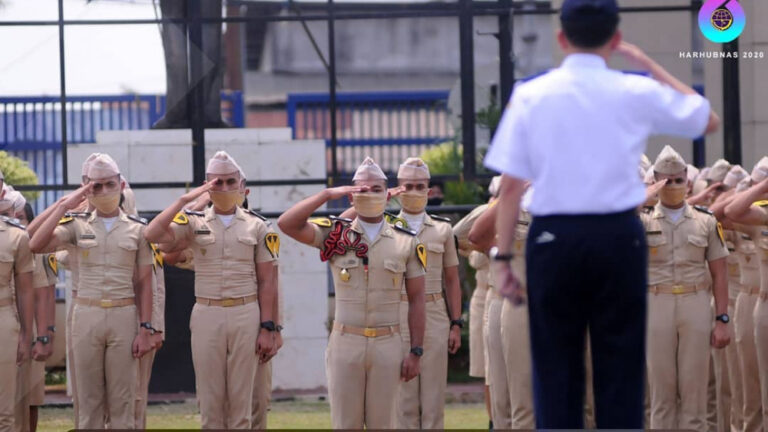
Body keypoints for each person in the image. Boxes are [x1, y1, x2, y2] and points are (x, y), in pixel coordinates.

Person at [482, 0, 721, 426]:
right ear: (614, 38)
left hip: (554, 238)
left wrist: (502, 260)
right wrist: (646, 64)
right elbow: (708, 120)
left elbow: (513, 185)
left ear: (561, 37)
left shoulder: (532, 95)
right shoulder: (634, 89)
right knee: (620, 370)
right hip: (618, 237)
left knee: (555, 370)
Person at [278, 157, 425, 429]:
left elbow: (417, 299)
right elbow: (287, 224)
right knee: (346, 424)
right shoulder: (337, 235)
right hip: (346, 342)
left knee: (384, 424)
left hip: (388, 343)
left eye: (376, 190)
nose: (370, 195)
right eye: (362, 190)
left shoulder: (406, 241)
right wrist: (326, 194)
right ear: (350, 197)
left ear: (387, 194)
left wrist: (415, 351)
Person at [145, 151, 276, 429]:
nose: (225, 188)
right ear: (207, 185)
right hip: (207, 311)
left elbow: (268, 281)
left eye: (231, 182)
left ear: (242, 186)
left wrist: (269, 327)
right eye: (218, 182)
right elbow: (153, 235)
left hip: (246, 311)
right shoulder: (194, 222)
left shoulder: (259, 226)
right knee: (210, 400)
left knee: (242, 402)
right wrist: (186, 201)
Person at [29, 154, 155, 429]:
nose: (105, 191)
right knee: (88, 403)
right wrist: (65, 205)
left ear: (121, 184)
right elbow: (35, 244)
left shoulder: (138, 230)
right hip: (86, 314)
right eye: (96, 186)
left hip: (124, 314)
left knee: (123, 402)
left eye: (110, 184)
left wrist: (146, 328)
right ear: (86, 188)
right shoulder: (75, 225)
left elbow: (145, 283)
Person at [642, 146, 730, 430]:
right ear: (655, 180)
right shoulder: (641, 220)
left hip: (695, 303)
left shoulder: (705, 220)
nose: (673, 187)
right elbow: (611, 218)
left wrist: (722, 319)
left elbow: (720, 274)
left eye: (679, 180)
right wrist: (646, 193)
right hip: (657, 304)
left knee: (695, 397)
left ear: (687, 181)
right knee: (662, 397)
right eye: (666, 181)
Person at [724, 173, 768, 432]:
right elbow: (729, 211)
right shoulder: (763, 218)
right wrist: (760, 188)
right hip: (763, 307)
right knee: (759, 388)